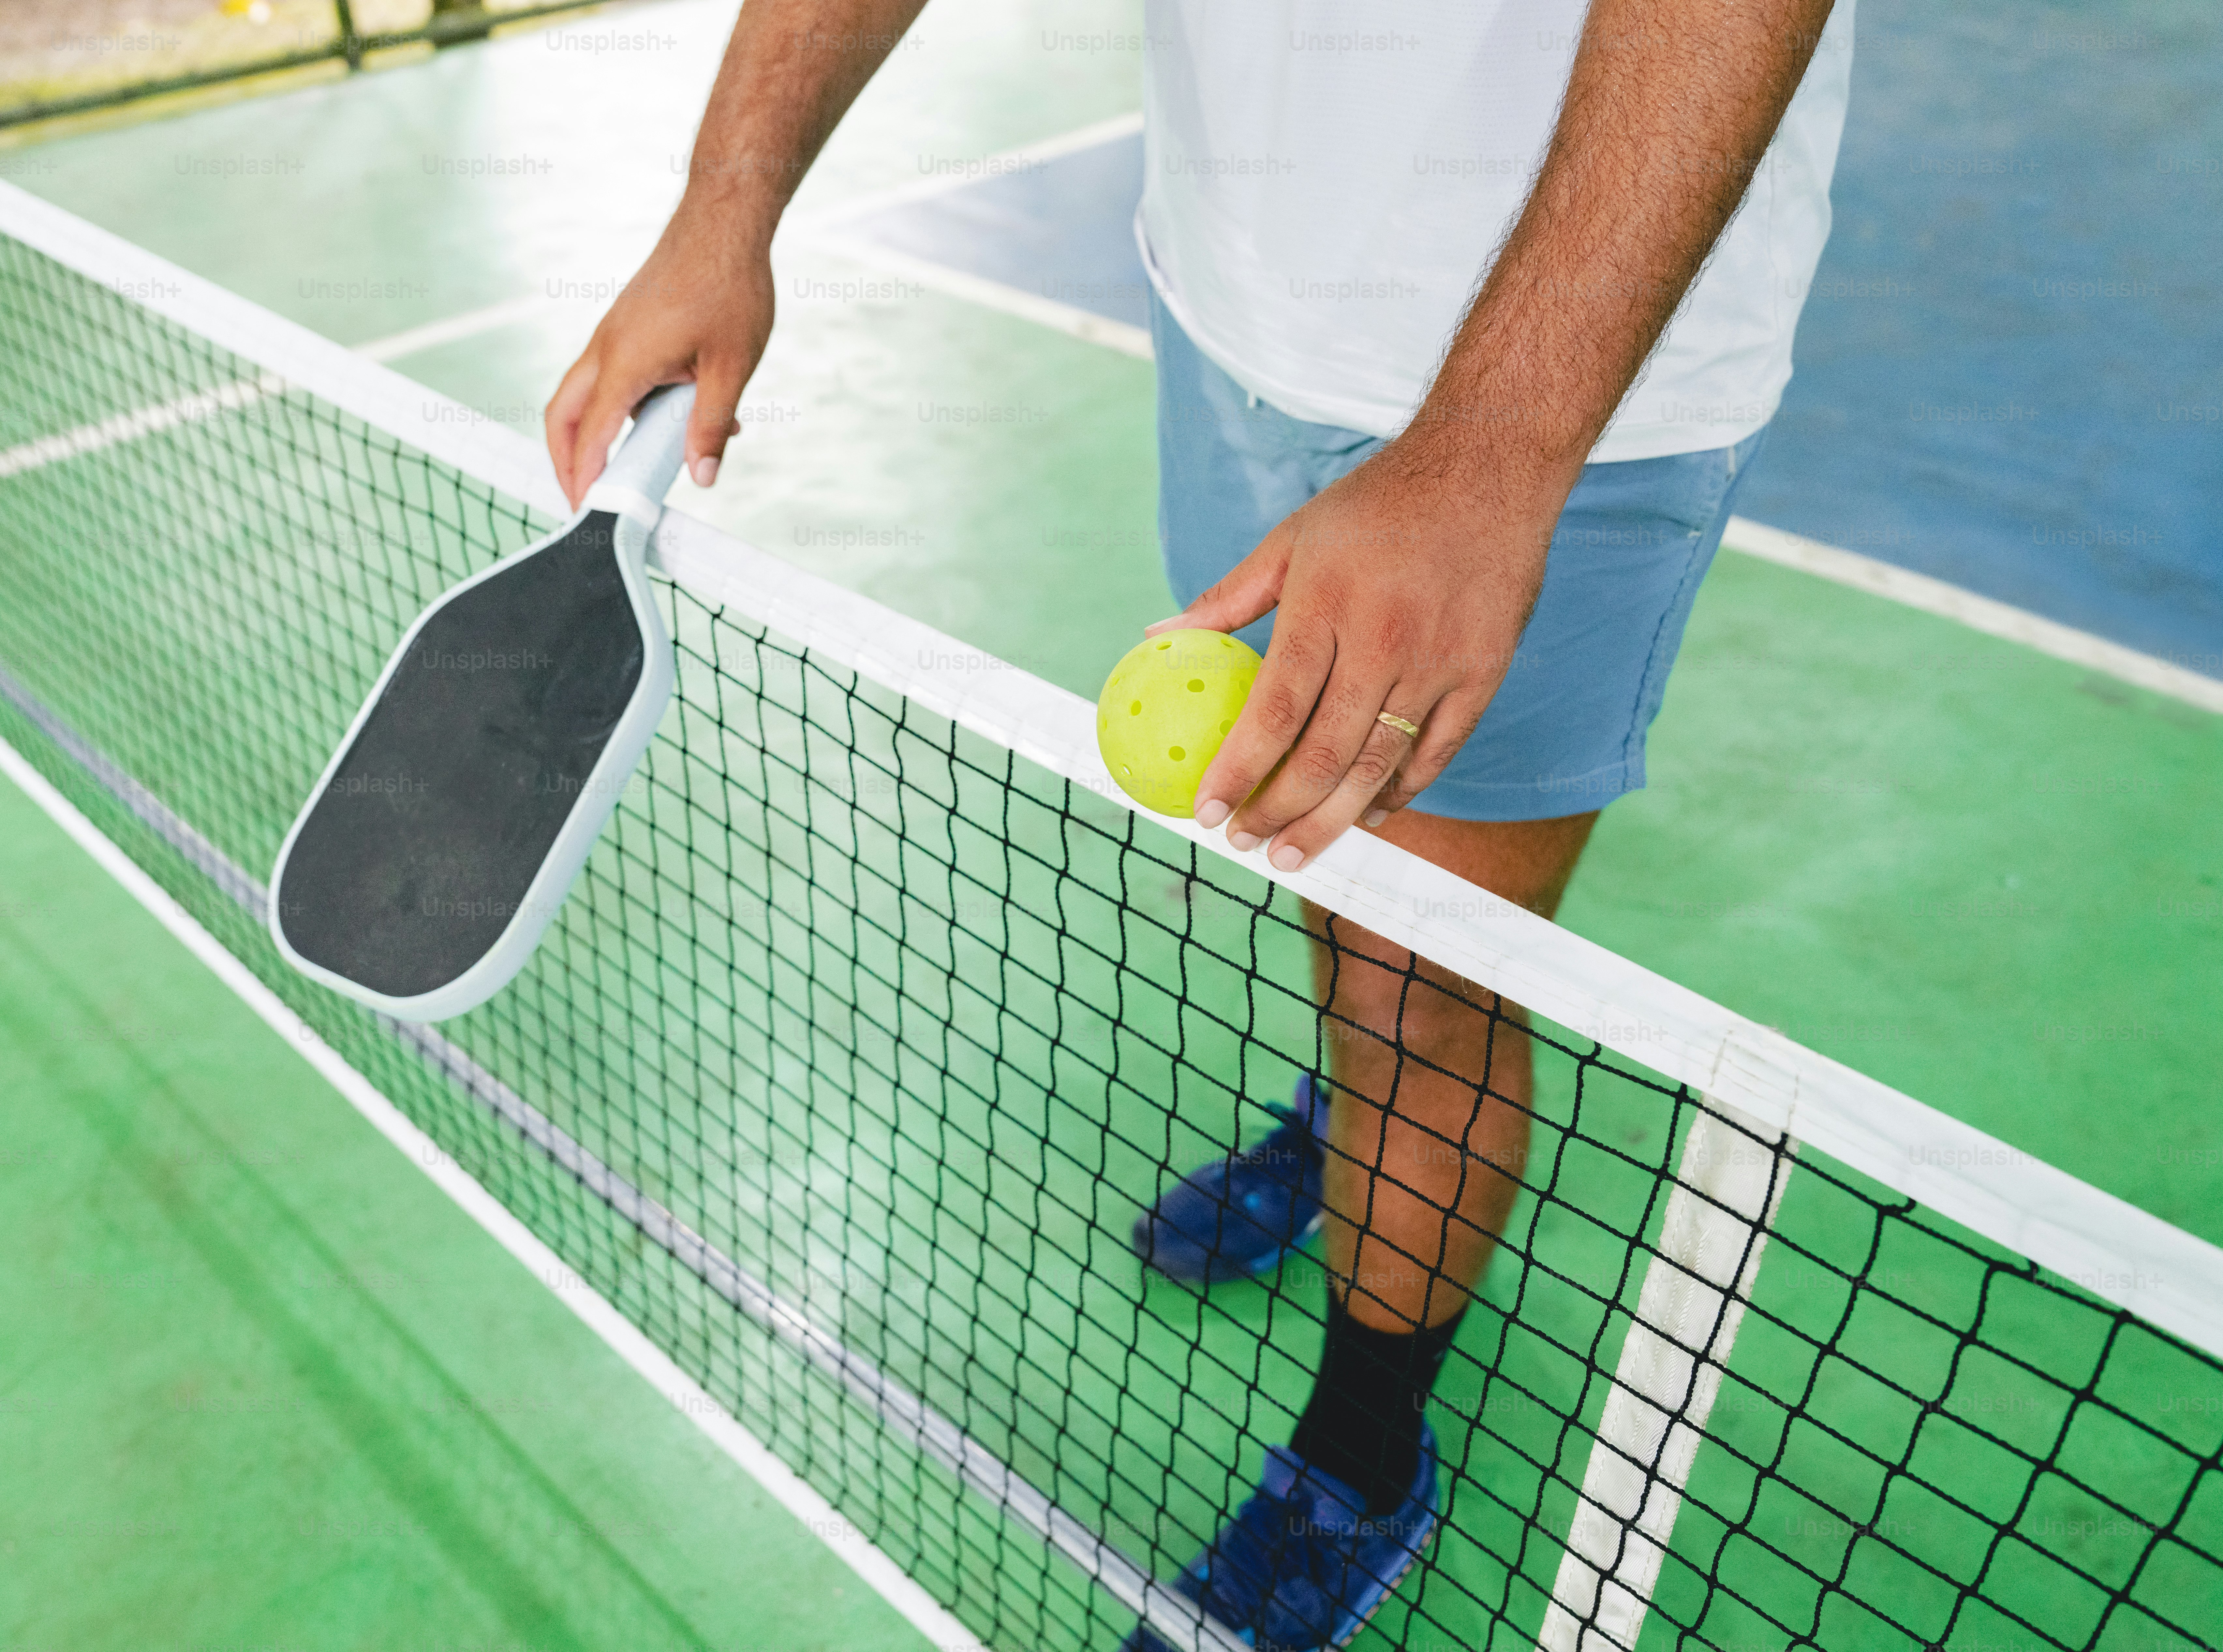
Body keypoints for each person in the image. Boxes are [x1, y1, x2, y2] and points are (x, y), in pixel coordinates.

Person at [545, 1, 1855, 1644]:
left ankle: (1365, 1450)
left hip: (1566, 405)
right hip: (1225, 296)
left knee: (1419, 991)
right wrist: (720, 205)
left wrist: (1487, 454)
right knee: (1317, 852)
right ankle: (1340, 1117)